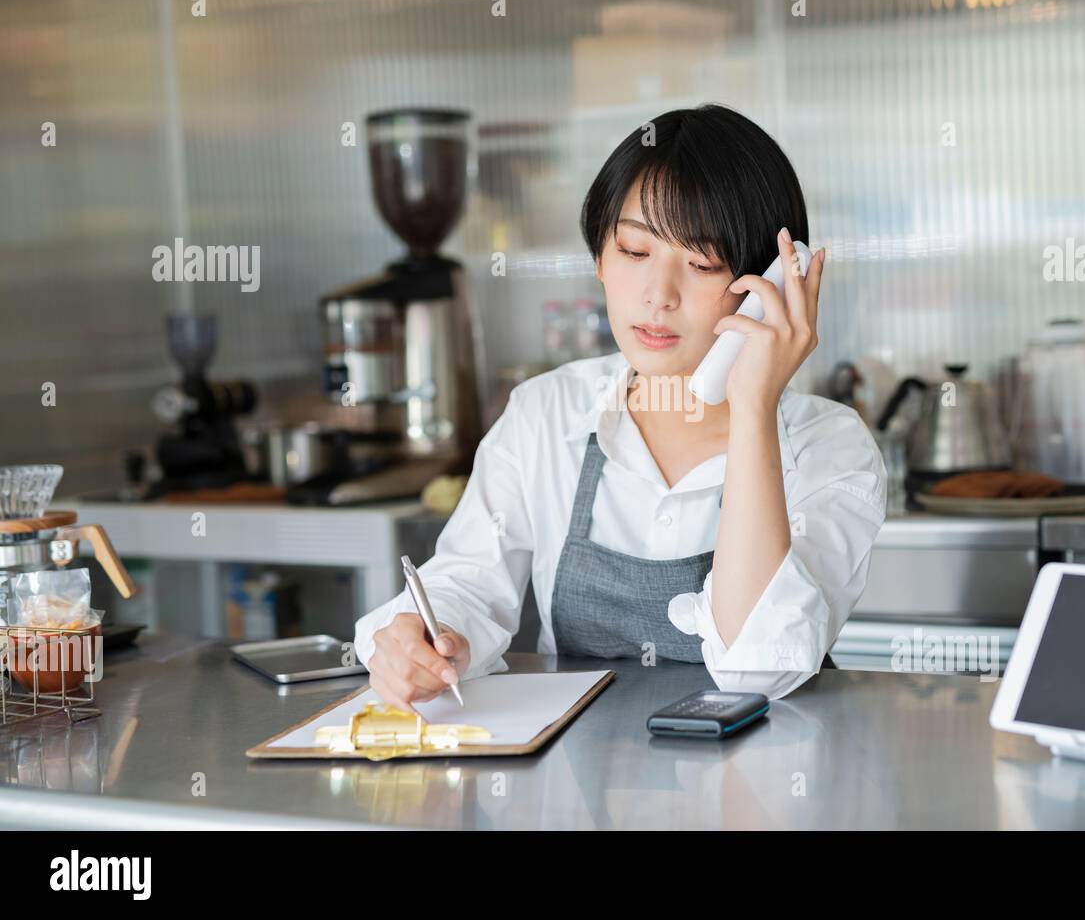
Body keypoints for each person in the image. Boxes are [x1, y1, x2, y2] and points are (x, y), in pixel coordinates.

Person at [354, 103, 885, 706]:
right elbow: (468, 584)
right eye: (635, 251)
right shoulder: (544, 413)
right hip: (578, 789)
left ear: (768, 281)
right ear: (600, 259)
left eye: (702, 262)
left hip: (763, 789)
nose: (659, 296)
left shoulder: (829, 446)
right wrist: (430, 637)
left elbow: (759, 669)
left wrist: (754, 410)